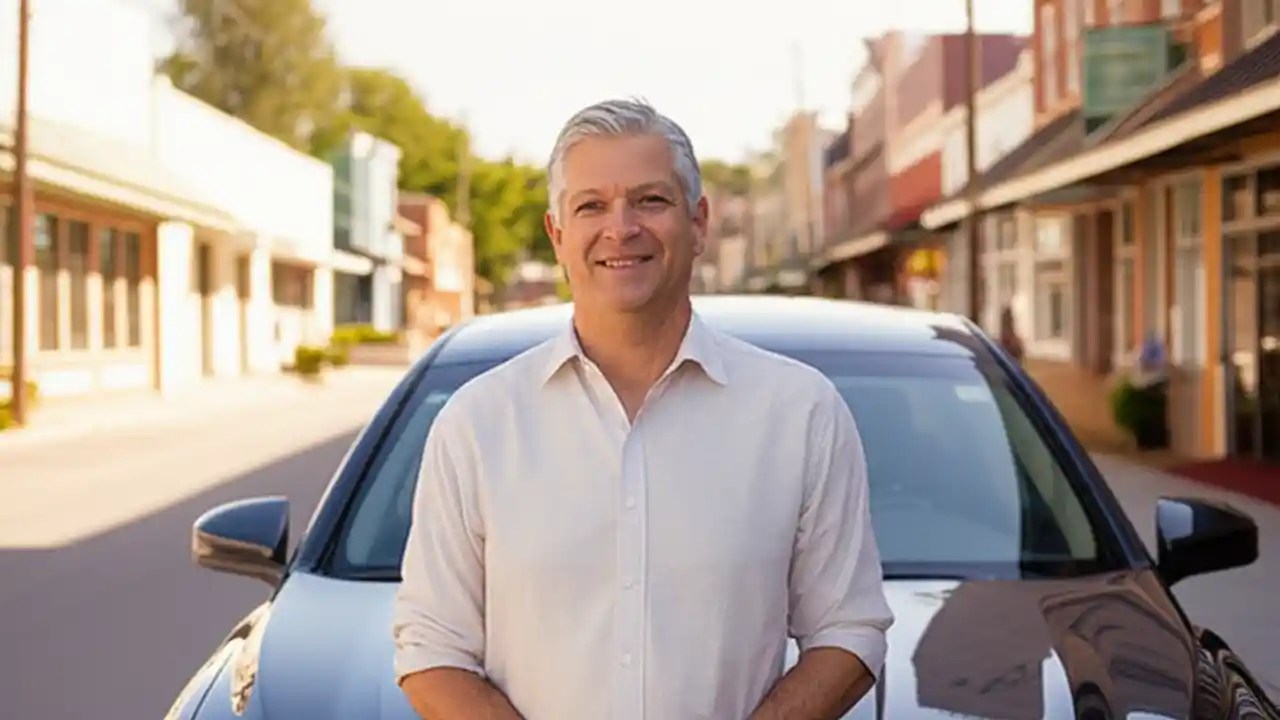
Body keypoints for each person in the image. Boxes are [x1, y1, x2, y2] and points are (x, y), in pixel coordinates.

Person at [392, 98, 894, 720]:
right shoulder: (477, 422)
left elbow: (849, 629)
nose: (621, 227)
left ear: (699, 222)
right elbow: (431, 644)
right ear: (557, 234)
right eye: (591, 206)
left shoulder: (801, 413)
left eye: (650, 200)